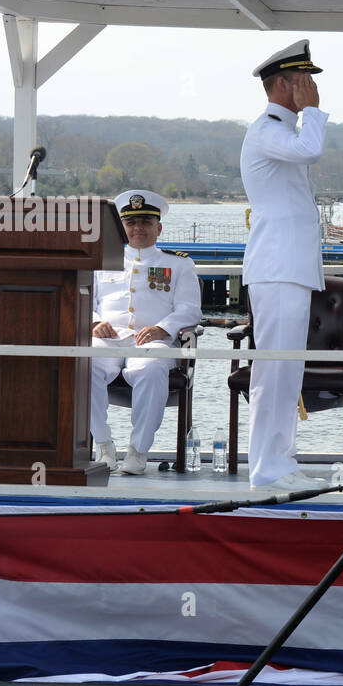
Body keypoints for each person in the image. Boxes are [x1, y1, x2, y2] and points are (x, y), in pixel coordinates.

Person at [239, 39, 328, 491]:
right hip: (276, 267)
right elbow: (310, 150)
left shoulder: (282, 129)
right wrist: (312, 111)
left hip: (289, 267)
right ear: (282, 85)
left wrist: (306, 113)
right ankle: (265, 466)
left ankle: (280, 458)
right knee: (273, 368)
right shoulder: (268, 129)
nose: (311, 88)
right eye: (304, 81)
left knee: (288, 367)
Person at [91, 189, 201, 475]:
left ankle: (138, 452)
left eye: (145, 222)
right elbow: (83, 300)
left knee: (151, 370)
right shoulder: (101, 261)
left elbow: (190, 309)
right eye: (131, 222)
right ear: (122, 227)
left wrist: (162, 329)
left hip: (152, 341)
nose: (138, 228)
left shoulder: (178, 264)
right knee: (83, 364)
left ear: (158, 228)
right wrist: (93, 322)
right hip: (108, 339)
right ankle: (103, 446)